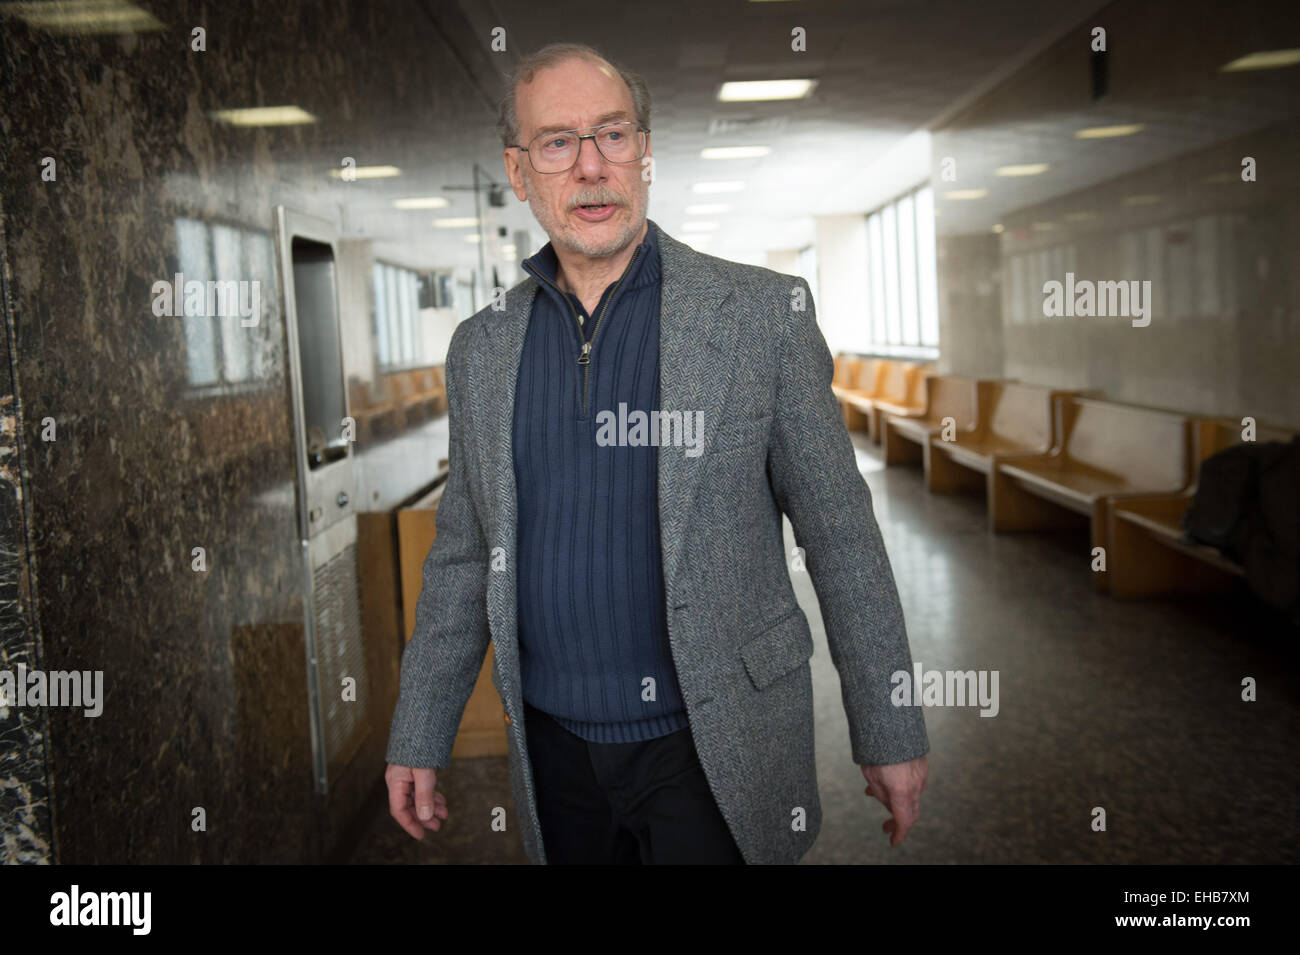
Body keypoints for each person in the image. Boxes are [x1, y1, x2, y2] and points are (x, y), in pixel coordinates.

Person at [385, 41, 929, 864]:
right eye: (558, 143)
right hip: (553, 751)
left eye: (612, 134)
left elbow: (842, 533)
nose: (591, 167)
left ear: (645, 152)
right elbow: (464, 556)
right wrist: (421, 727)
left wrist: (888, 724)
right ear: (519, 170)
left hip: (715, 744)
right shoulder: (482, 348)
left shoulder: (757, 315)